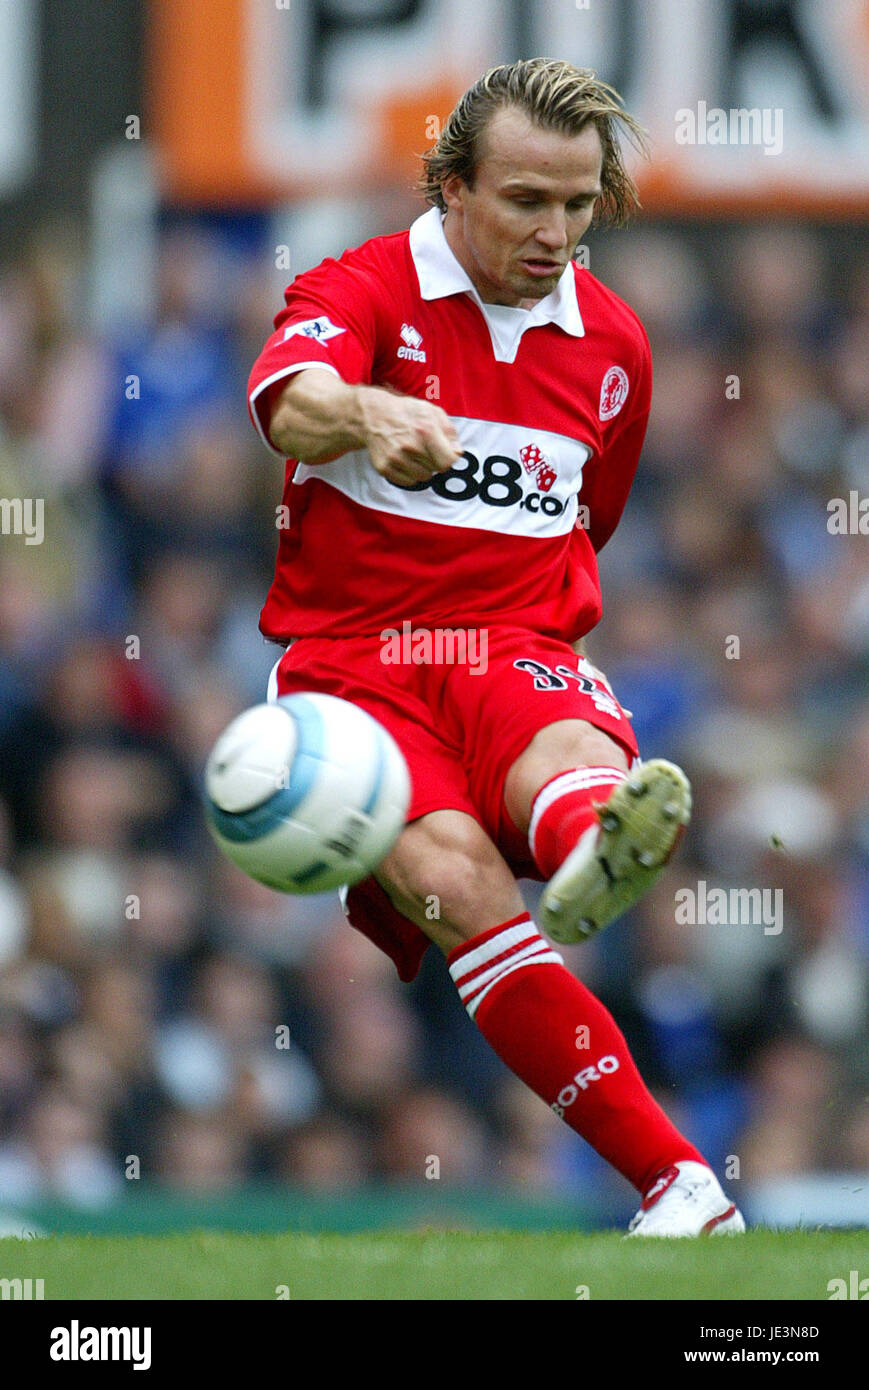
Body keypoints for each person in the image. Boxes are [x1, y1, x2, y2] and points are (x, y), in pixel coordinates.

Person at [247, 58, 743, 1237]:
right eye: (524, 200)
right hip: (352, 663)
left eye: (577, 204)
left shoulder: (614, 346)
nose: (555, 231)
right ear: (449, 187)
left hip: (507, 638)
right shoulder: (359, 286)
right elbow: (286, 401)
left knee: (562, 753)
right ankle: (679, 1182)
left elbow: (589, 525)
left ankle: (591, 841)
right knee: (454, 883)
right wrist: (371, 413)